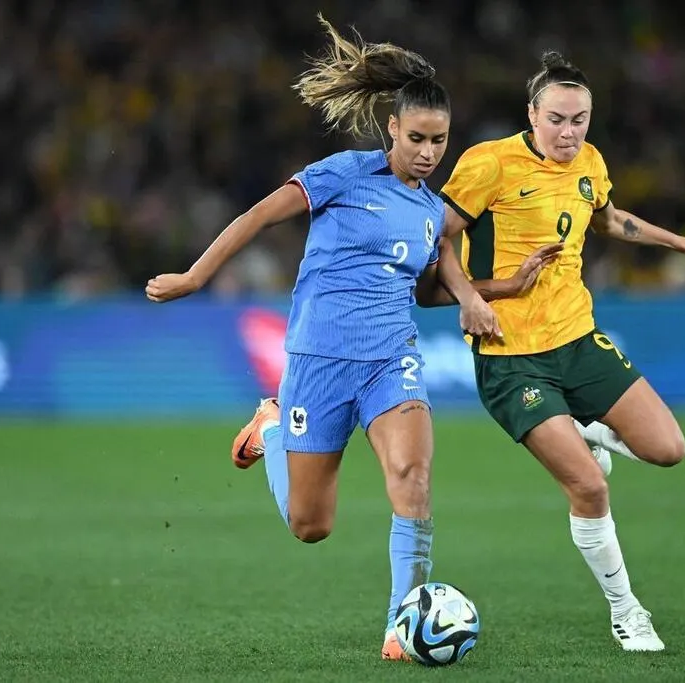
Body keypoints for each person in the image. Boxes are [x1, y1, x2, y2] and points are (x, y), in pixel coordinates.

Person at [144, 16, 512, 662]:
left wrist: (482, 294)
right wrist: (196, 276)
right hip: (318, 360)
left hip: (390, 360)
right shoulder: (343, 173)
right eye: (419, 138)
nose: (429, 153)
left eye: (441, 141)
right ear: (392, 129)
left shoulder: (430, 211)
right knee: (310, 526)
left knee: (413, 476)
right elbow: (259, 214)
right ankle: (273, 425)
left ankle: (403, 622)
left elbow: (431, 280)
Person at [425, 50, 685, 652]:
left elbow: (609, 218)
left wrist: (681, 243)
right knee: (590, 490)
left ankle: (589, 431)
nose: (569, 133)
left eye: (580, 120)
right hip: (509, 353)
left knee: (669, 449)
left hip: (578, 338)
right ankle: (628, 611)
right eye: (557, 120)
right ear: (532, 113)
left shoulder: (590, 162)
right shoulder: (487, 163)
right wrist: (467, 296)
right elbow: (439, 236)